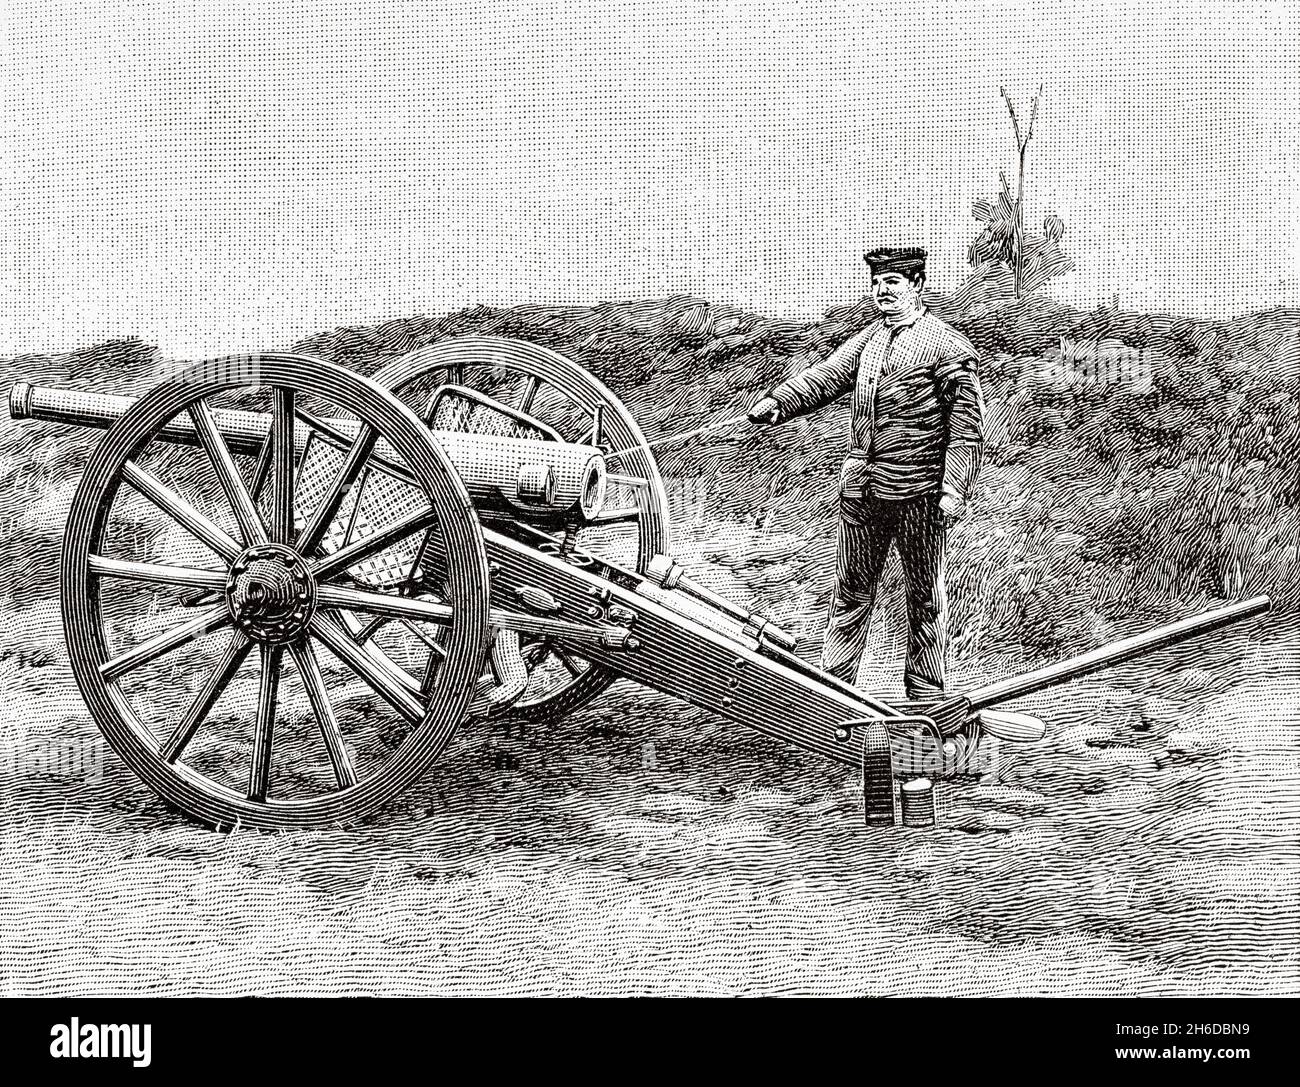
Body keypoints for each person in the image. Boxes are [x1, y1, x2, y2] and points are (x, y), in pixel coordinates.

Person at [748, 246, 984, 701]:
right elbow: (825, 377)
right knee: (850, 596)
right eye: (876, 284)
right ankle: (831, 697)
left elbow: (967, 431)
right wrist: (778, 402)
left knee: (926, 601)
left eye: (892, 283)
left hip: (920, 493)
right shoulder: (869, 340)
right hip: (861, 492)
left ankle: (928, 700)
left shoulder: (948, 346)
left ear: (916, 285)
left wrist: (953, 491)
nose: (882, 293)